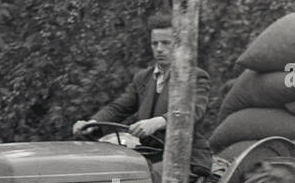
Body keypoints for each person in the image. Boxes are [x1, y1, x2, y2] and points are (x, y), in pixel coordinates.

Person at [73, 15, 214, 172]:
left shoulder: (194, 76)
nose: (159, 48)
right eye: (155, 43)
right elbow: (118, 108)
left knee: (141, 181)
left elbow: (192, 112)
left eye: (166, 43)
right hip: (149, 155)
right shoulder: (143, 78)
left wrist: (158, 122)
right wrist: (92, 123)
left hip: (186, 158)